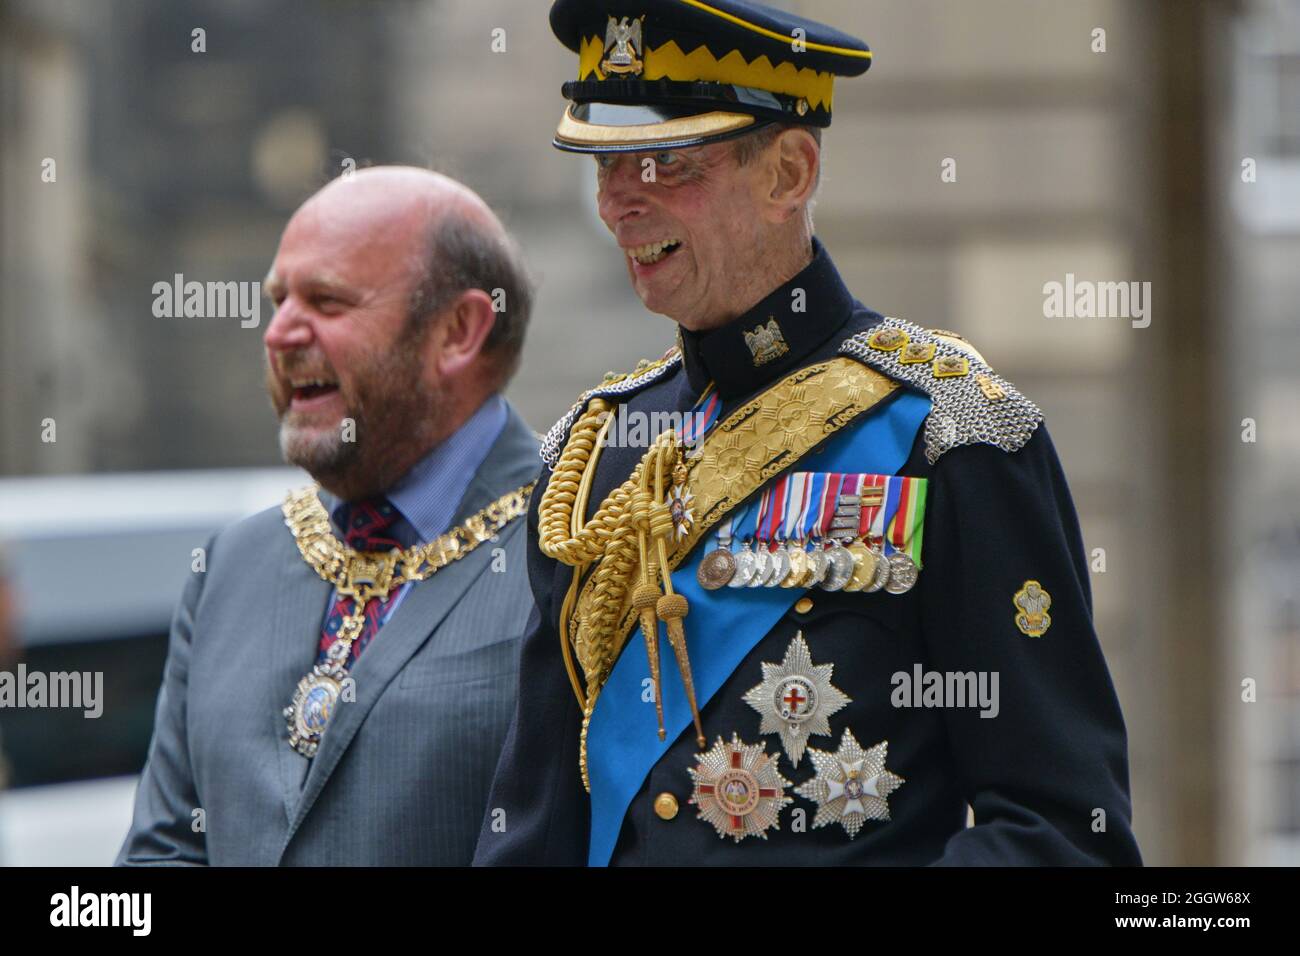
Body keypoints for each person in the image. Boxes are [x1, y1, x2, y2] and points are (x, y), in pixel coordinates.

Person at [474, 0, 1142, 865]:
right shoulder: (595, 454)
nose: (617, 205)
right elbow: (534, 828)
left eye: (665, 163)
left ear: (788, 172)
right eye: (605, 165)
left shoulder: (950, 434)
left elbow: (1062, 830)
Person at [118, 167, 540, 865]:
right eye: (277, 300)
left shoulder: (575, 553)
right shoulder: (231, 567)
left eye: (328, 301)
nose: (280, 333)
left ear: (459, 330)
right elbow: (163, 854)